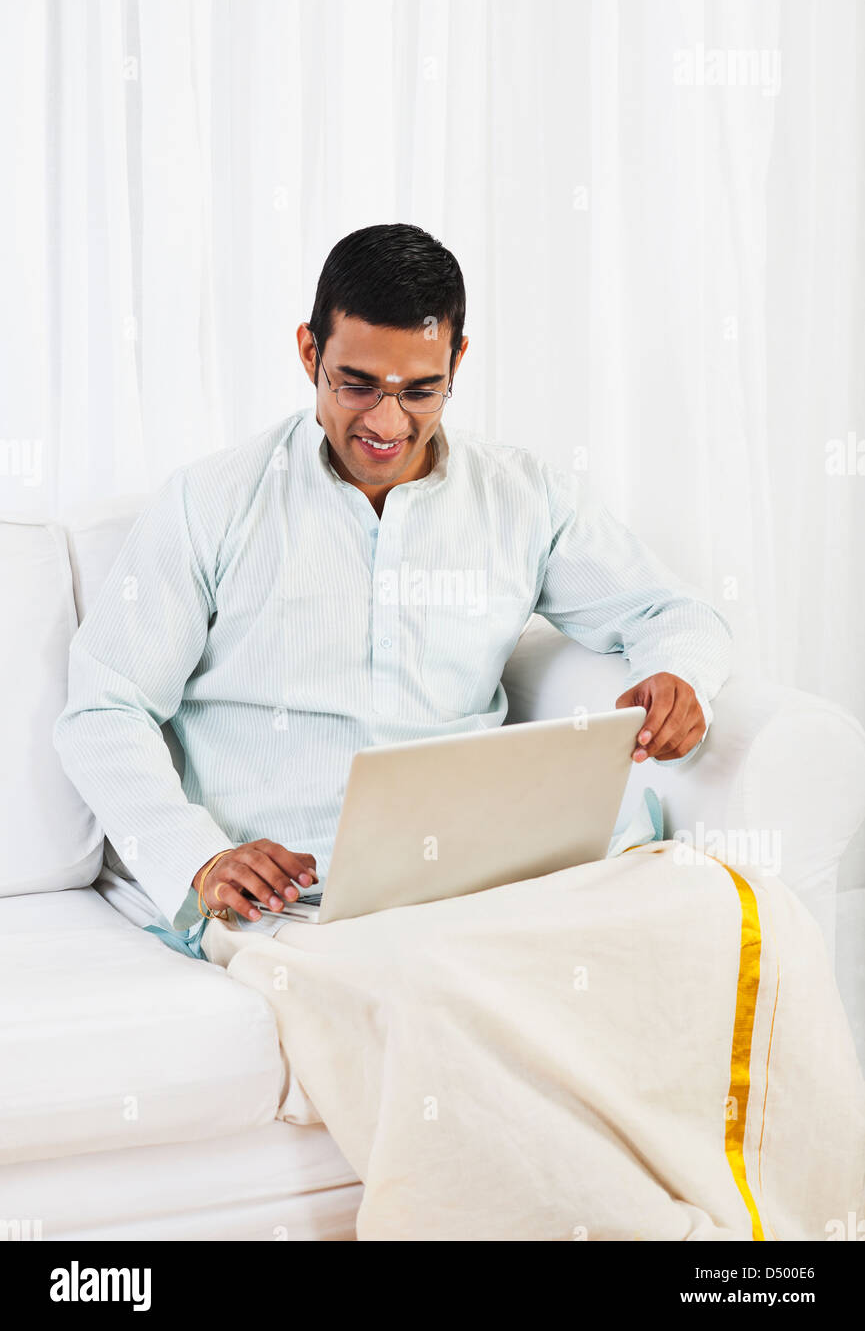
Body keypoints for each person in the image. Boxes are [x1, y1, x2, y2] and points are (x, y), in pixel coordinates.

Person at [53, 223, 732, 958]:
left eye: (420, 391)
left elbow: (671, 611)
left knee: (711, 932)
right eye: (357, 385)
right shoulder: (210, 503)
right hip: (290, 900)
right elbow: (104, 707)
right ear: (310, 352)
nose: (385, 423)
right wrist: (201, 857)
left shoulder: (523, 496)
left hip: (489, 875)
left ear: (457, 361)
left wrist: (678, 676)